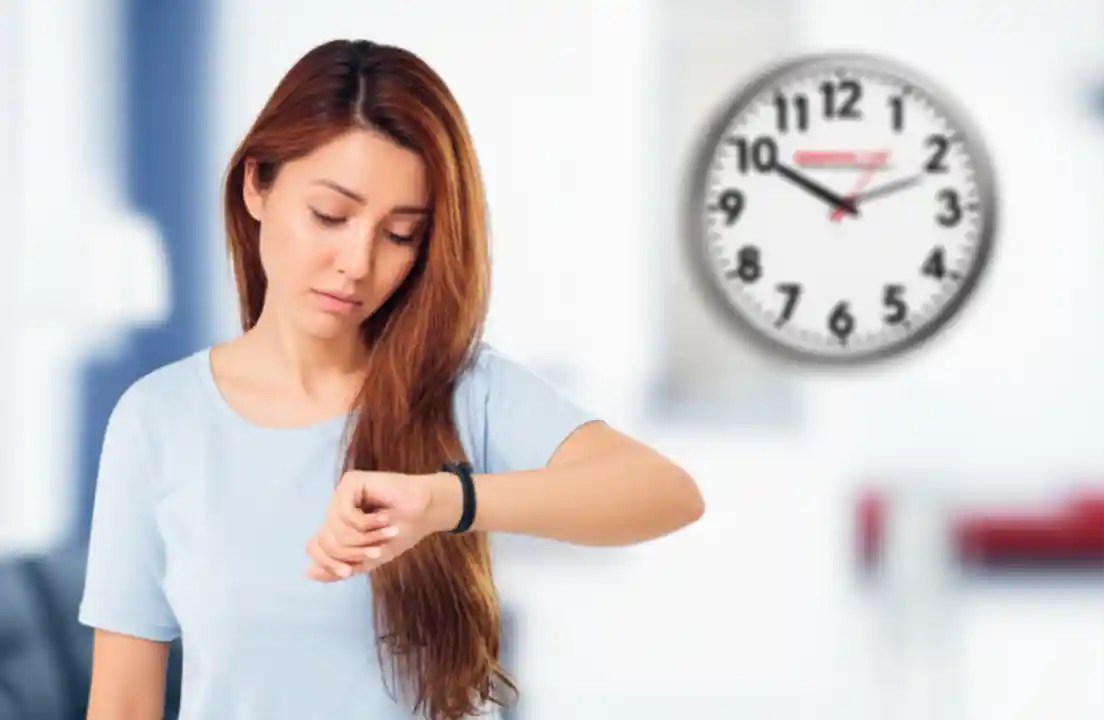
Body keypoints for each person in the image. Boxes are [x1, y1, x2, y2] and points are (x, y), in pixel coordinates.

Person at [78, 38, 705, 720]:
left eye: (401, 233)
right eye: (330, 215)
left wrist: (445, 503)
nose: (357, 262)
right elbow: (123, 702)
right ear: (257, 184)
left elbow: (668, 494)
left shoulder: (464, 390)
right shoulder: (158, 420)